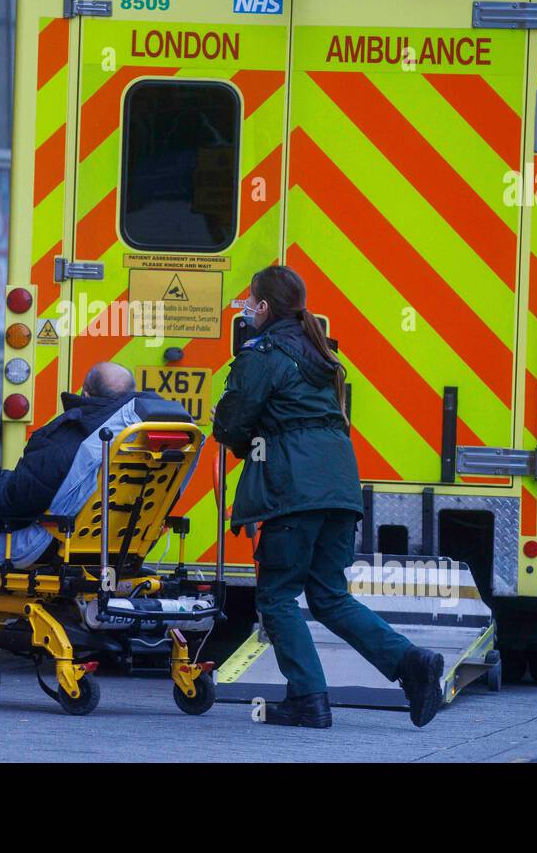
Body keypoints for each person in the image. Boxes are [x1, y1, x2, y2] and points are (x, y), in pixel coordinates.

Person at [212, 264, 443, 729]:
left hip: (293, 491)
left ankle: (308, 699)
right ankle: (411, 662)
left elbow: (233, 422)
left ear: (263, 307)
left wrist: (240, 441)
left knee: (276, 596)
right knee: (329, 595)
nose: (247, 312)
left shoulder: (262, 353)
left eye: (250, 303)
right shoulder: (320, 350)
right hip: (339, 488)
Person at [0, 362, 144, 518]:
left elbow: (17, 498)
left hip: (47, 537)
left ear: (86, 395)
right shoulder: (136, 432)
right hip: (119, 538)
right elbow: (37, 483)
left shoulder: (70, 437)